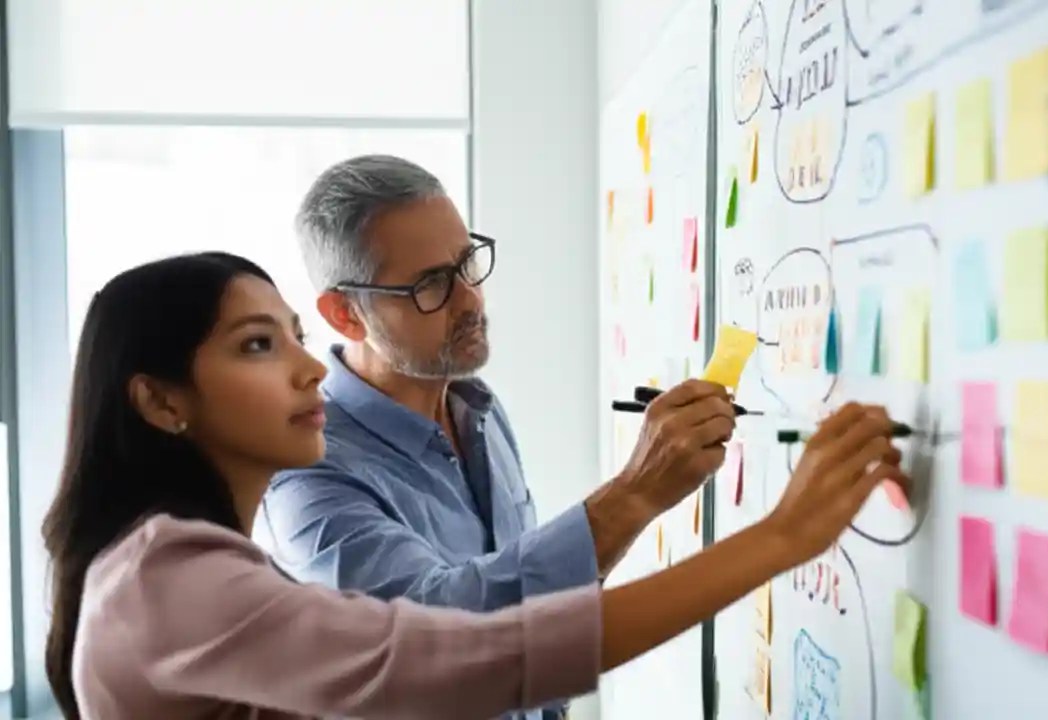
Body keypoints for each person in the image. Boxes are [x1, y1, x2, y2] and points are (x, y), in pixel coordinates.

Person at [44, 252, 906, 720]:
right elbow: (458, 648)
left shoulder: (184, 569)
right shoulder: (172, 580)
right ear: (160, 400)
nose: (311, 370)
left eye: (295, 338)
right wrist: (779, 539)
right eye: (258, 346)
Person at [256, 154, 756, 718]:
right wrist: (636, 493)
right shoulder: (303, 474)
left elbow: (534, 603)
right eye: (432, 286)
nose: (470, 299)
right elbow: (437, 638)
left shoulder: (478, 411)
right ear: (346, 314)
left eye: (468, 263)